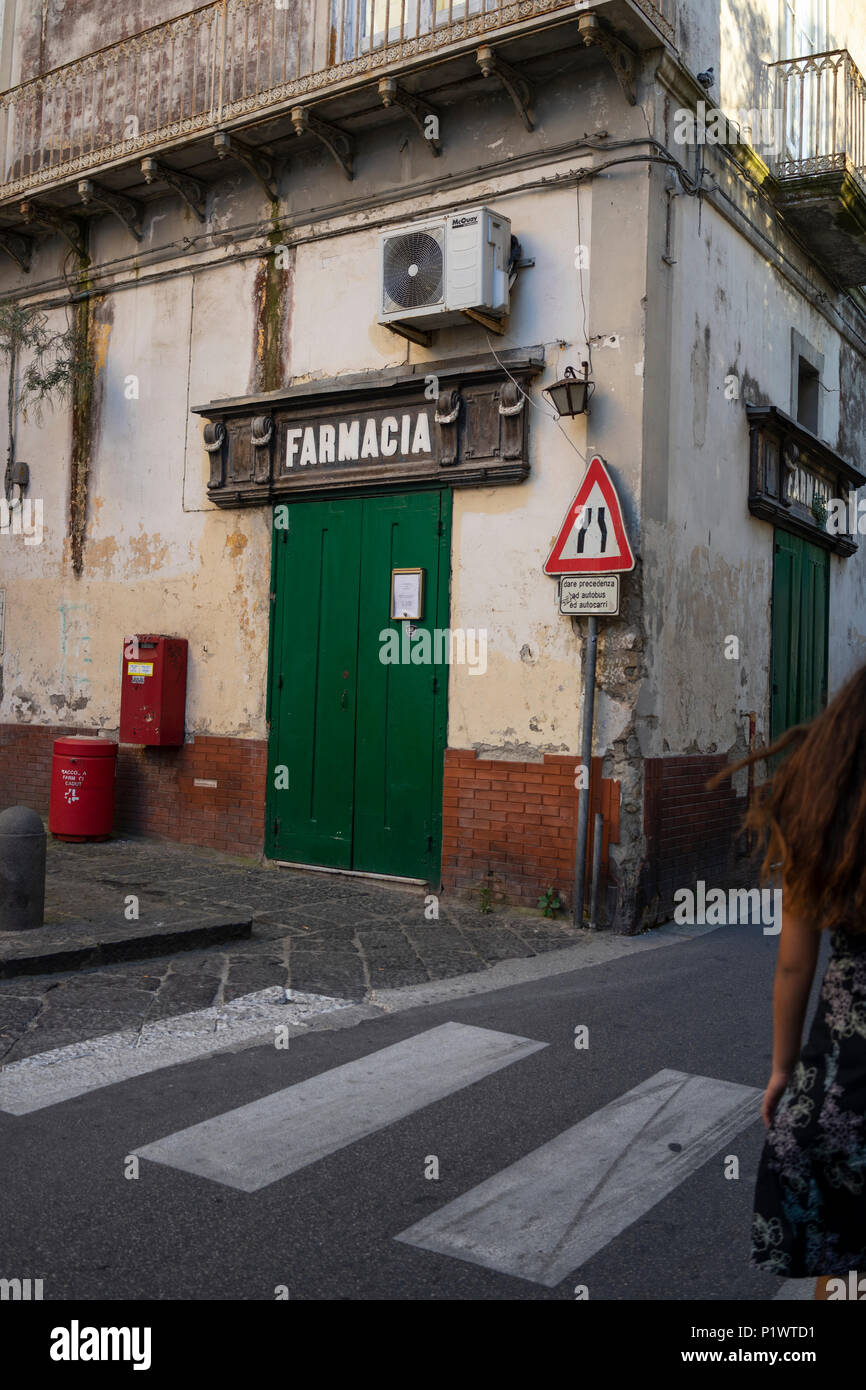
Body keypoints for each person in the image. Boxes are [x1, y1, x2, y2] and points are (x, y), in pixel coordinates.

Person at [709, 663, 866, 1299]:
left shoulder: (824, 812)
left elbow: (795, 965)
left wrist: (782, 1071)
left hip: (846, 1083)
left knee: (843, 1254)